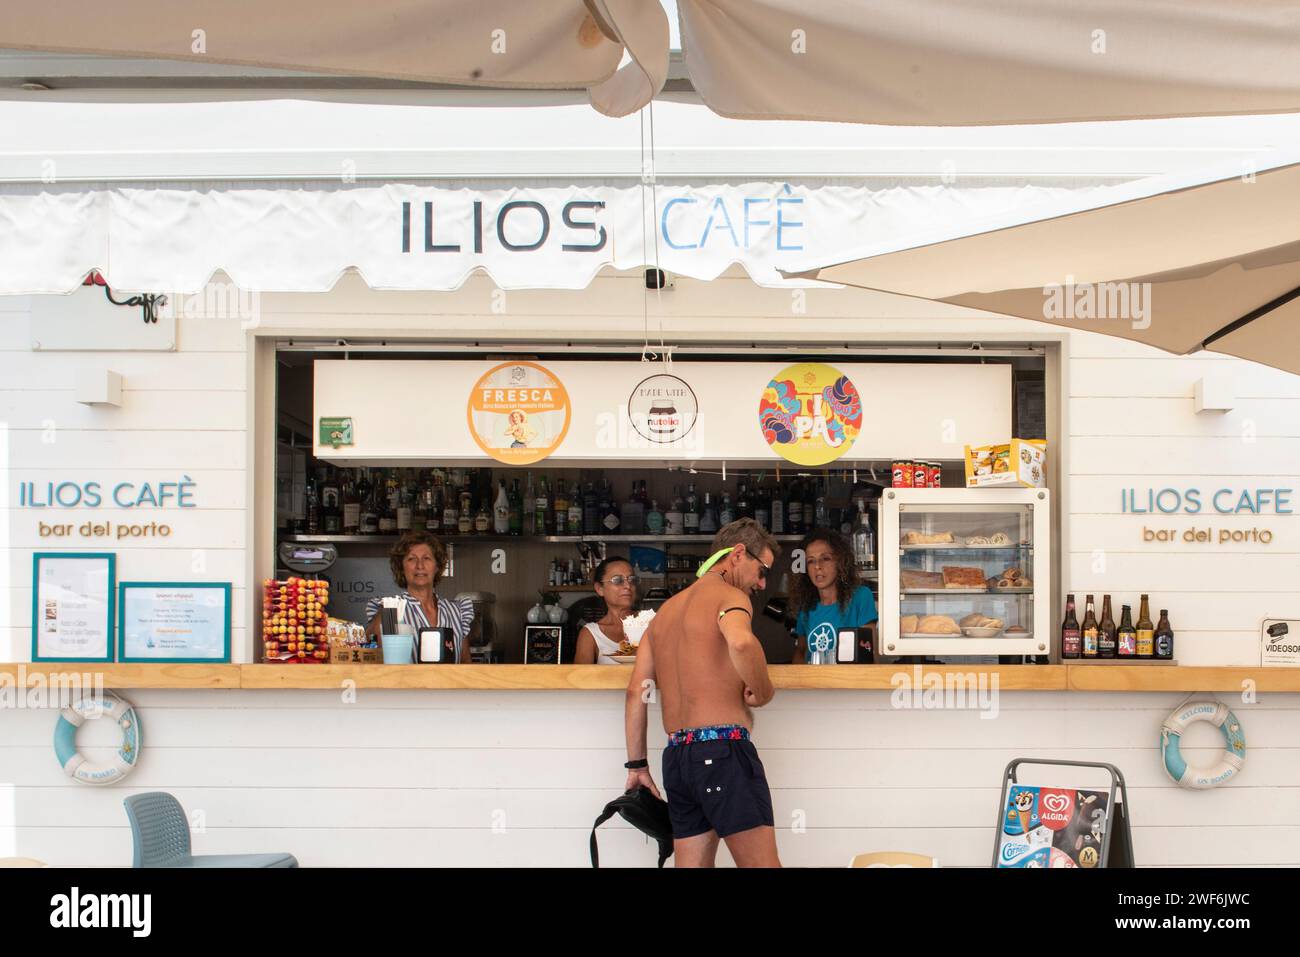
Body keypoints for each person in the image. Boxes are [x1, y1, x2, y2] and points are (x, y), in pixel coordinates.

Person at [623, 518, 781, 867]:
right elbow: (740, 641)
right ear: (739, 554)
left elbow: (637, 691)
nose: (761, 581)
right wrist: (764, 691)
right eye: (762, 568)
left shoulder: (664, 614)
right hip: (723, 751)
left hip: (677, 759)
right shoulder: (730, 596)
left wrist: (637, 765)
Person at [364, 530, 475, 663]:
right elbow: (369, 658)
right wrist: (384, 613)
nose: (420, 566)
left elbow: (467, 666)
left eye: (427, 558)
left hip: (450, 684)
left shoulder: (456, 611)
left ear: (437, 567)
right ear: (401, 567)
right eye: (412, 559)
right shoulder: (391, 609)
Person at [790, 527, 877, 664]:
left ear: (840, 562)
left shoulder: (861, 596)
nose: (817, 566)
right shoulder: (806, 605)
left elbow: (869, 653)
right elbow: (800, 652)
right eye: (811, 561)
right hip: (812, 684)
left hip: (849, 683)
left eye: (825, 558)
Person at [575, 556, 639, 664]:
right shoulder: (591, 634)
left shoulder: (651, 623)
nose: (628, 585)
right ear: (600, 589)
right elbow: (579, 678)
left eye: (631, 579)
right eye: (618, 580)